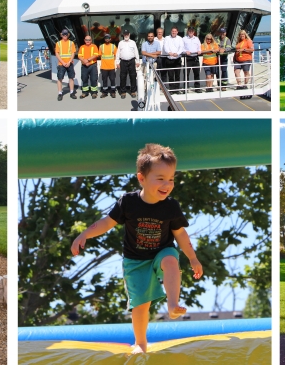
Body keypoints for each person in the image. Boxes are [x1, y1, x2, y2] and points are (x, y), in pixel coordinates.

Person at [71, 144, 202, 355]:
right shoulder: (129, 202)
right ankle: (140, 343)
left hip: (162, 252)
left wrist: (193, 259)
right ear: (141, 178)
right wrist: (84, 234)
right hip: (135, 260)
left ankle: (173, 304)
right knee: (141, 304)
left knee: (170, 261)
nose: (167, 184)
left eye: (171, 179)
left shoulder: (171, 206)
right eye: (160, 178)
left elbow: (180, 234)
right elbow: (107, 222)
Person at [54, 29, 77, 100]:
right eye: (63, 34)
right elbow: (57, 53)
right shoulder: (58, 43)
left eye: (66, 34)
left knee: (71, 78)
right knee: (60, 78)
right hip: (61, 64)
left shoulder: (71, 43)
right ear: (61, 35)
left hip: (70, 63)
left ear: (68, 35)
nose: (65, 35)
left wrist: (69, 61)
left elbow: (73, 53)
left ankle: (72, 92)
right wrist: (63, 62)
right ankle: (60, 93)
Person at [161, 27, 184, 93]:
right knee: (170, 75)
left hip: (177, 59)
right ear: (171, 31)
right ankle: (171, 89)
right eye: (172, 31)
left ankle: (176, 89)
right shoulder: (167, 38)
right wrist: (169, 52)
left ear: (177, 32)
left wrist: (177, 53)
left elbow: (181, 47)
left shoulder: (180, 38)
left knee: (177, 75)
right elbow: (165, 46)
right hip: (169, 59)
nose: (174, 32)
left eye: (175, 31)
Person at [117, 29, 139, 98]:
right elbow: (118, 53)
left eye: (127, 34)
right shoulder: (120, 43)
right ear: (123, 35)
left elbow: (136, 52)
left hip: (132, 61)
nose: (126, 35)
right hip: (123, 62)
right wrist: (117, 62)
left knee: (133, 76)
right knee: (122, 77)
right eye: (125, 34)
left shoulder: (133, 42)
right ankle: (123, 92)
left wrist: (137, 61)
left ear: (129, 34)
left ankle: (133, 91)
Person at [182, 27, 202, 93]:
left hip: (195, 58)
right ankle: (186, 88)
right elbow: (181, 48)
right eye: (190, 31)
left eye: (192, 31)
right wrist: (185, 51)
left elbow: (199, 47)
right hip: (187, 58)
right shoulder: (184, 39)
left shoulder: (197, 39)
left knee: (197, 73)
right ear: (188, 31)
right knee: (186, 74)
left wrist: (199, 51)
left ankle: (197, 88)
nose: (191, 32)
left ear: (194, 32)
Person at [98, 34, 118, 98]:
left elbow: (116, 55)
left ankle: (113, 92)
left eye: (108, 38)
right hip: (104, 67)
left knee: (112, 79)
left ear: (110, 39)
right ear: (104, 39)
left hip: (111, 67)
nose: (107, 39)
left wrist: (113, 61)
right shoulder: (101, 46)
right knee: (104, 80)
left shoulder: (113, 46)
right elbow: (100, 55)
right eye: (106, 38)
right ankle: (105, 92)